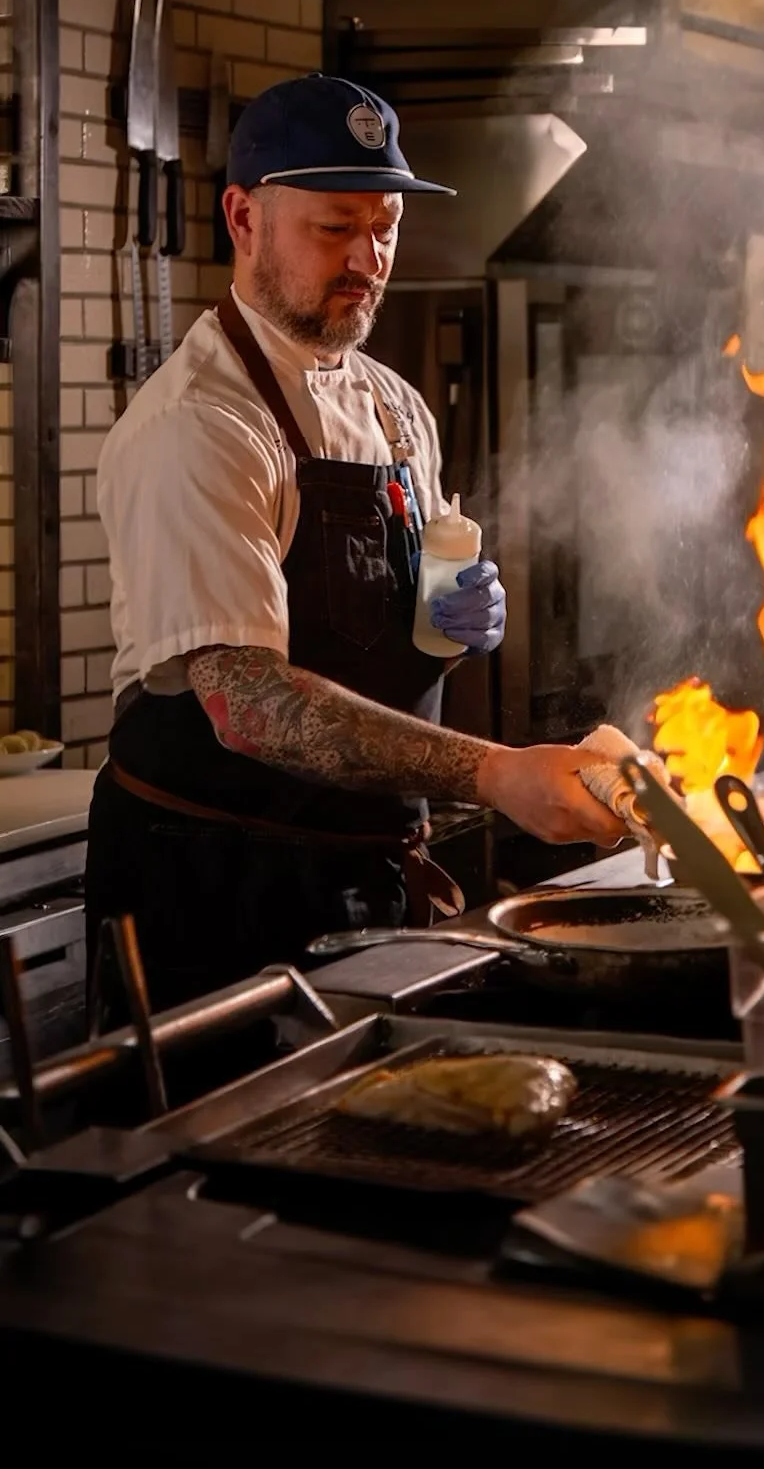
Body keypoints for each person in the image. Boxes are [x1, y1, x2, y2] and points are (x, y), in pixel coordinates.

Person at [87, 74, 621, 1013]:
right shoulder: (199, 424)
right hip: (214, 896)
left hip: (367, 871)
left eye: (385, 229)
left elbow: (382, 629)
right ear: (244, 219)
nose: (369, 258)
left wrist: (450, 621)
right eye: (335, 228)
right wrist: (494, 771)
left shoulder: (394, 406)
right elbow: (250, 704)